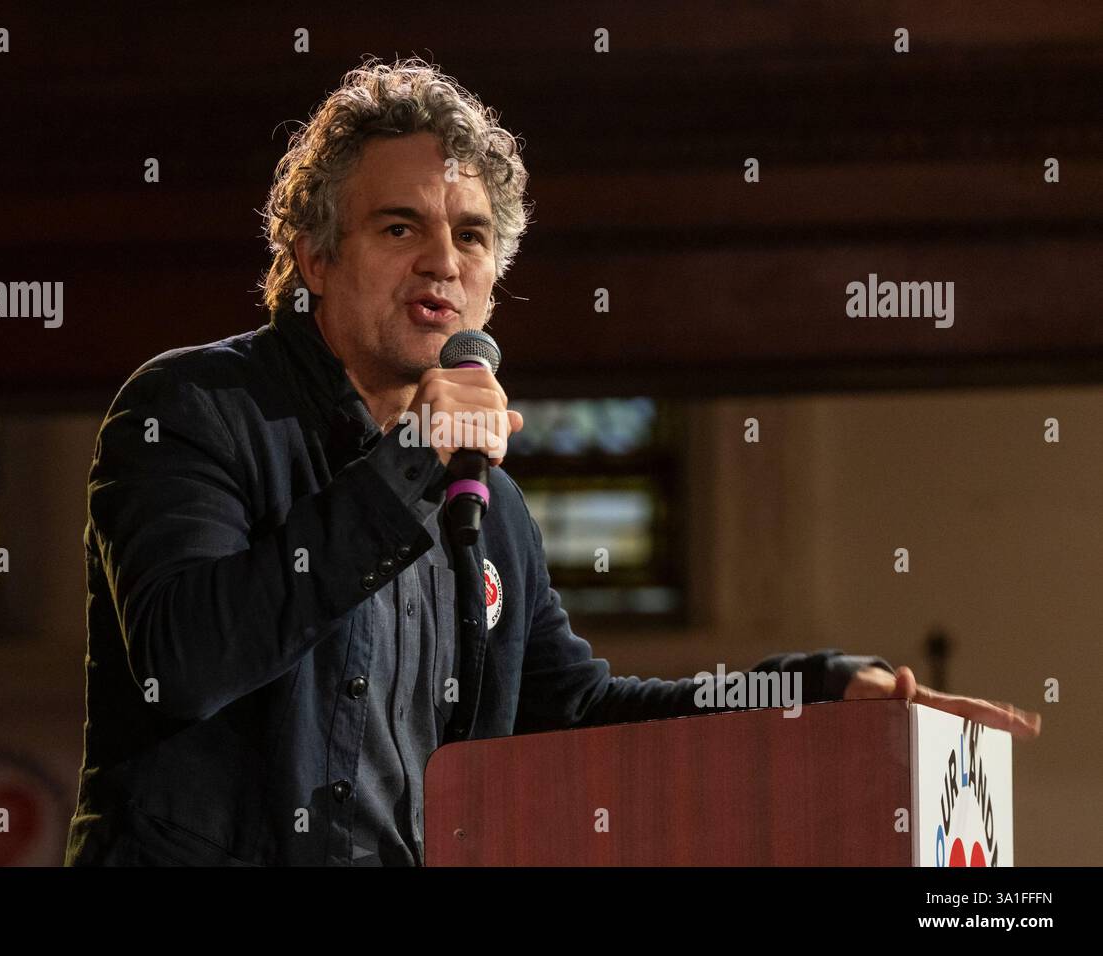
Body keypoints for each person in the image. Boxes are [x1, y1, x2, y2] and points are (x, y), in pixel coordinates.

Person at [64, 57, 1040, 867]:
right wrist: (413, 464)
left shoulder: (492, 508)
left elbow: (572, 710)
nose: (443, 260)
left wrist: (813, 691)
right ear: (314, 255)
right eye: (399, 226)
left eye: (472, 235)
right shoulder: (194, 406)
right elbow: (182, 663)